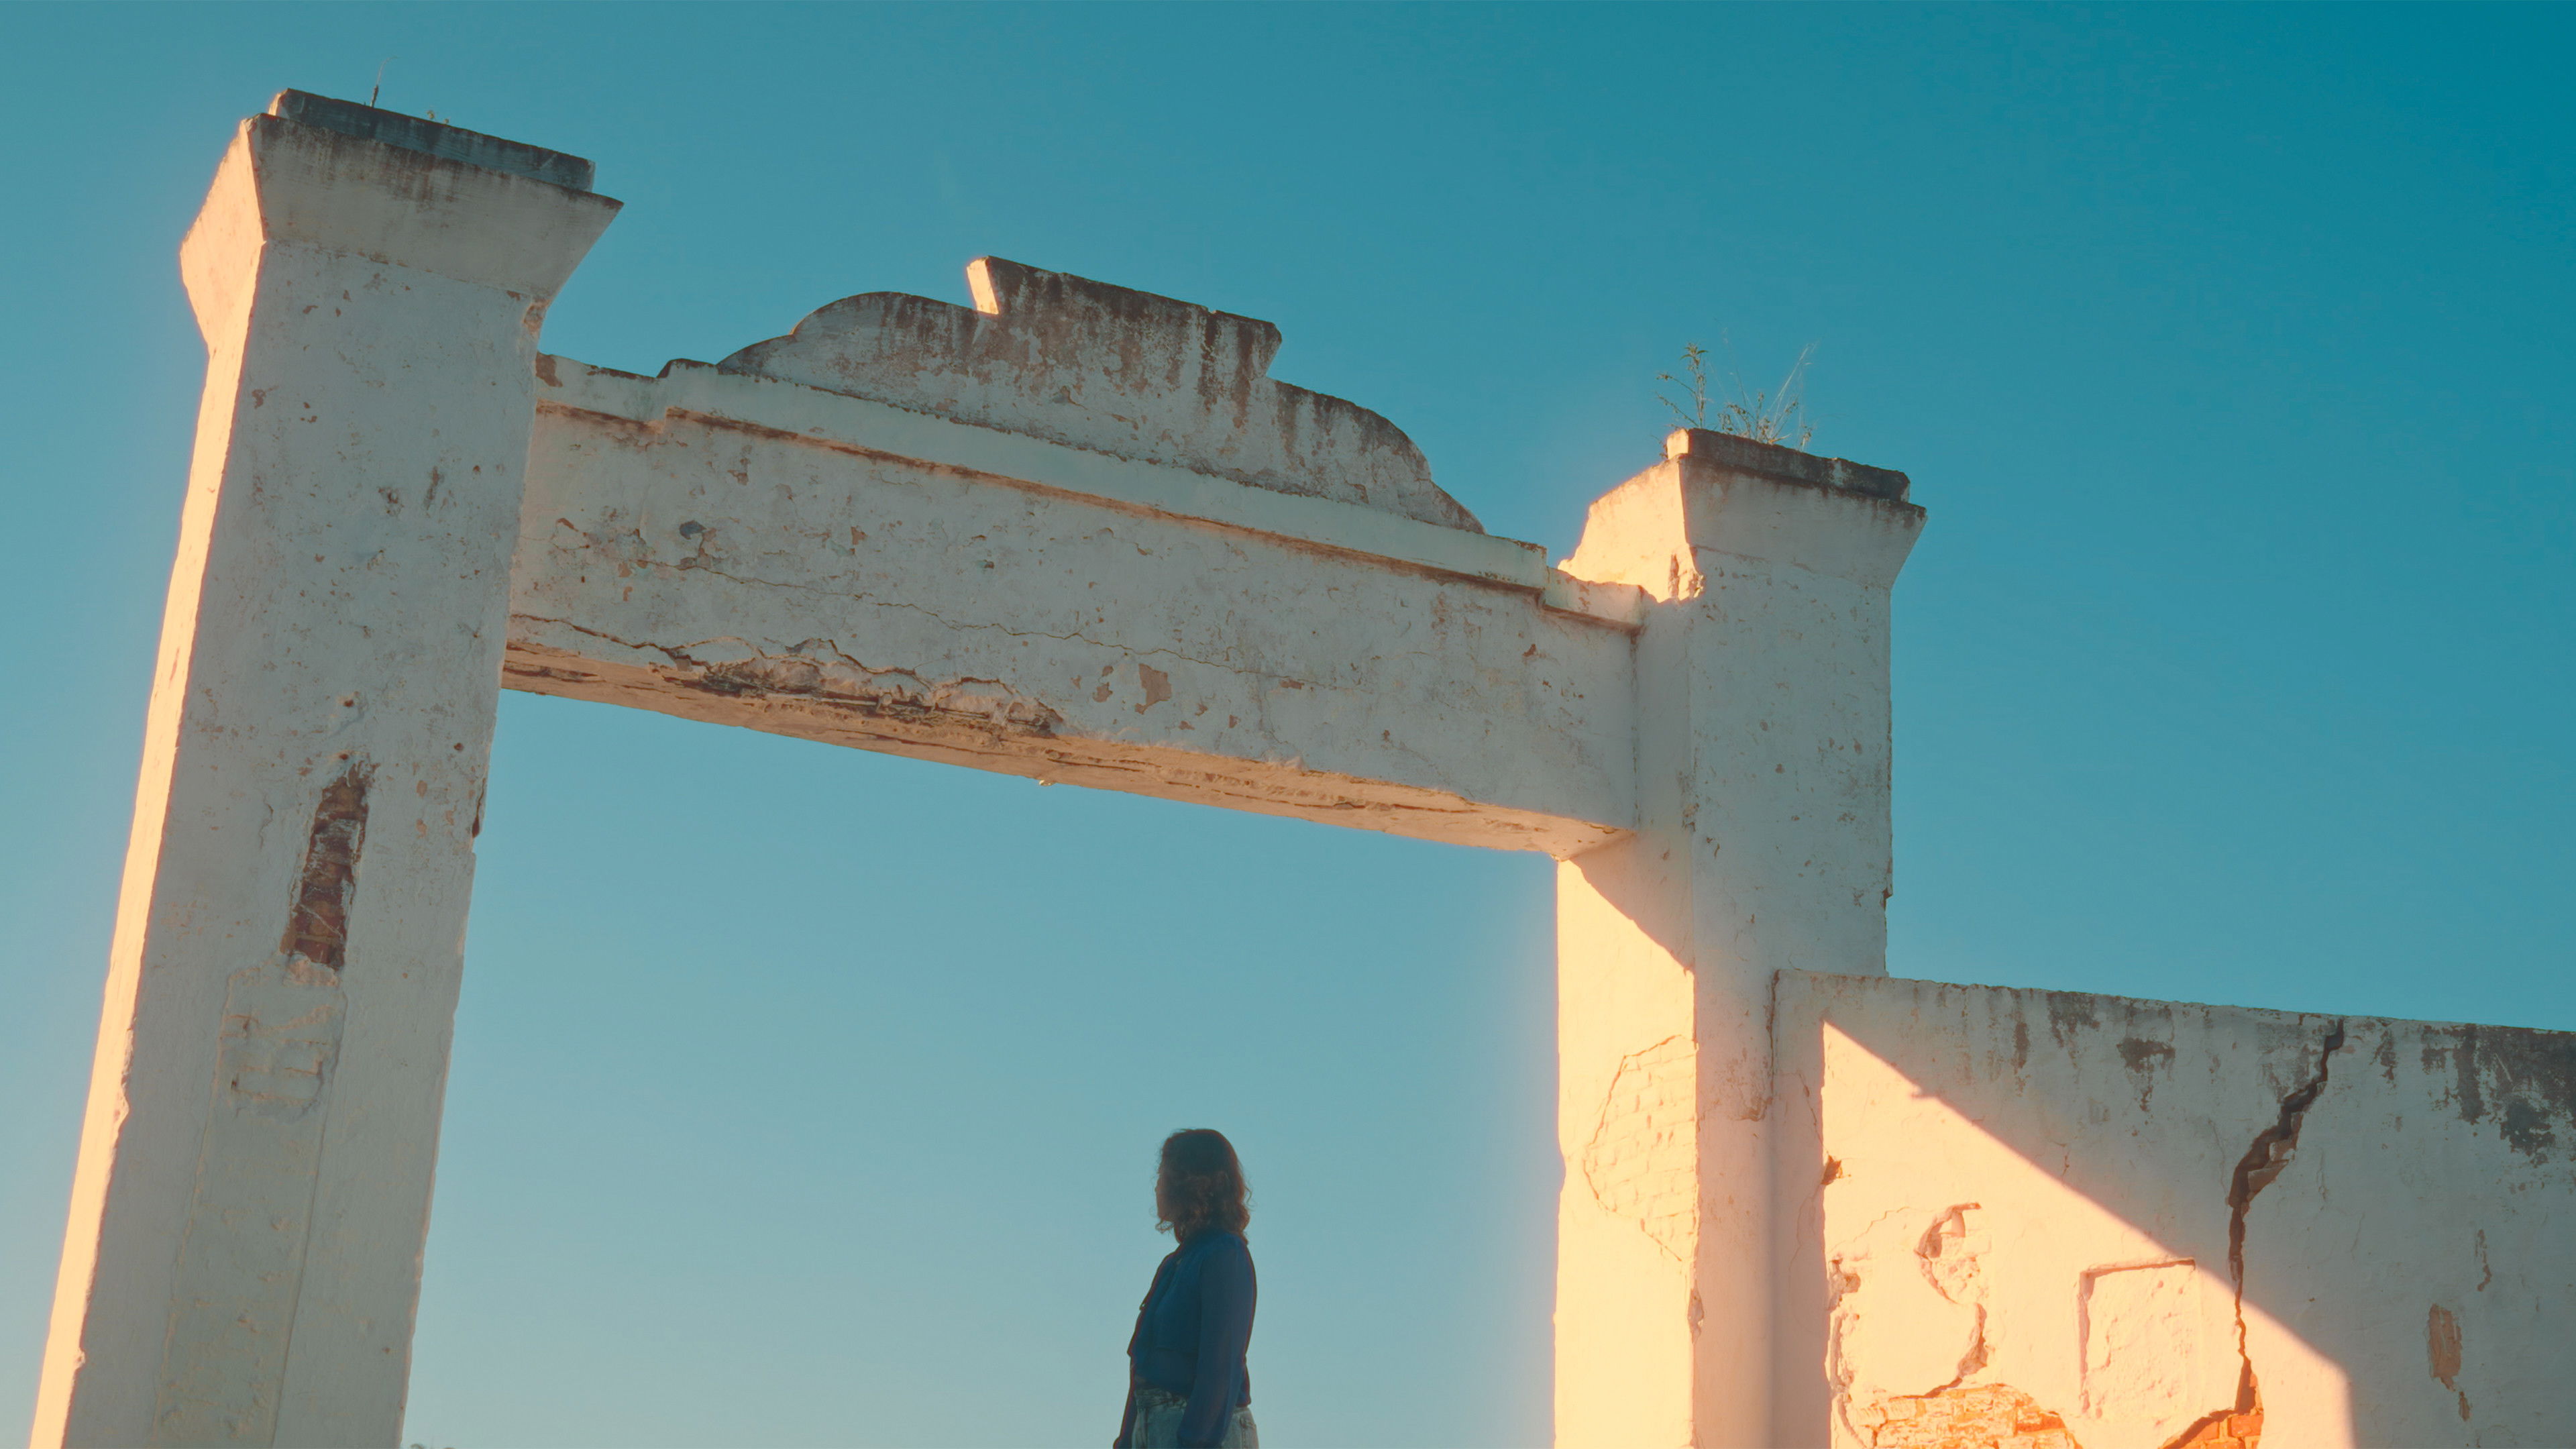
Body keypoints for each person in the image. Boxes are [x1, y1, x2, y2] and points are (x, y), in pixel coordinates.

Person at [1115, 1129, 1258, 1449]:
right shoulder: (1174, 1264)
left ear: (1194, 1182)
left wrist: (1194, 1442)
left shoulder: (1225, 1253)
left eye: (1165, 1175)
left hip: (1198, 1432)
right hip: (1153, 1426)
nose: (1157, 1186)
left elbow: (1221, 1366)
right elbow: (1143, 1370)